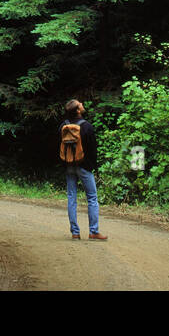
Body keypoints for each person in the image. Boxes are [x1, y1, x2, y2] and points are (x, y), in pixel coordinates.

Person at [59, 99, 107, 240]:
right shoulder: (86, 126)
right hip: (84, 167)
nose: (82, 104)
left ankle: (75, 232)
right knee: (92, 198)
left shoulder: (63, 126)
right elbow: (92, 150)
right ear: (78, 110)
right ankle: (93, 231)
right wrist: (93, 167)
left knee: (71, 197)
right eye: (80, 104)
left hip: (69, 166)